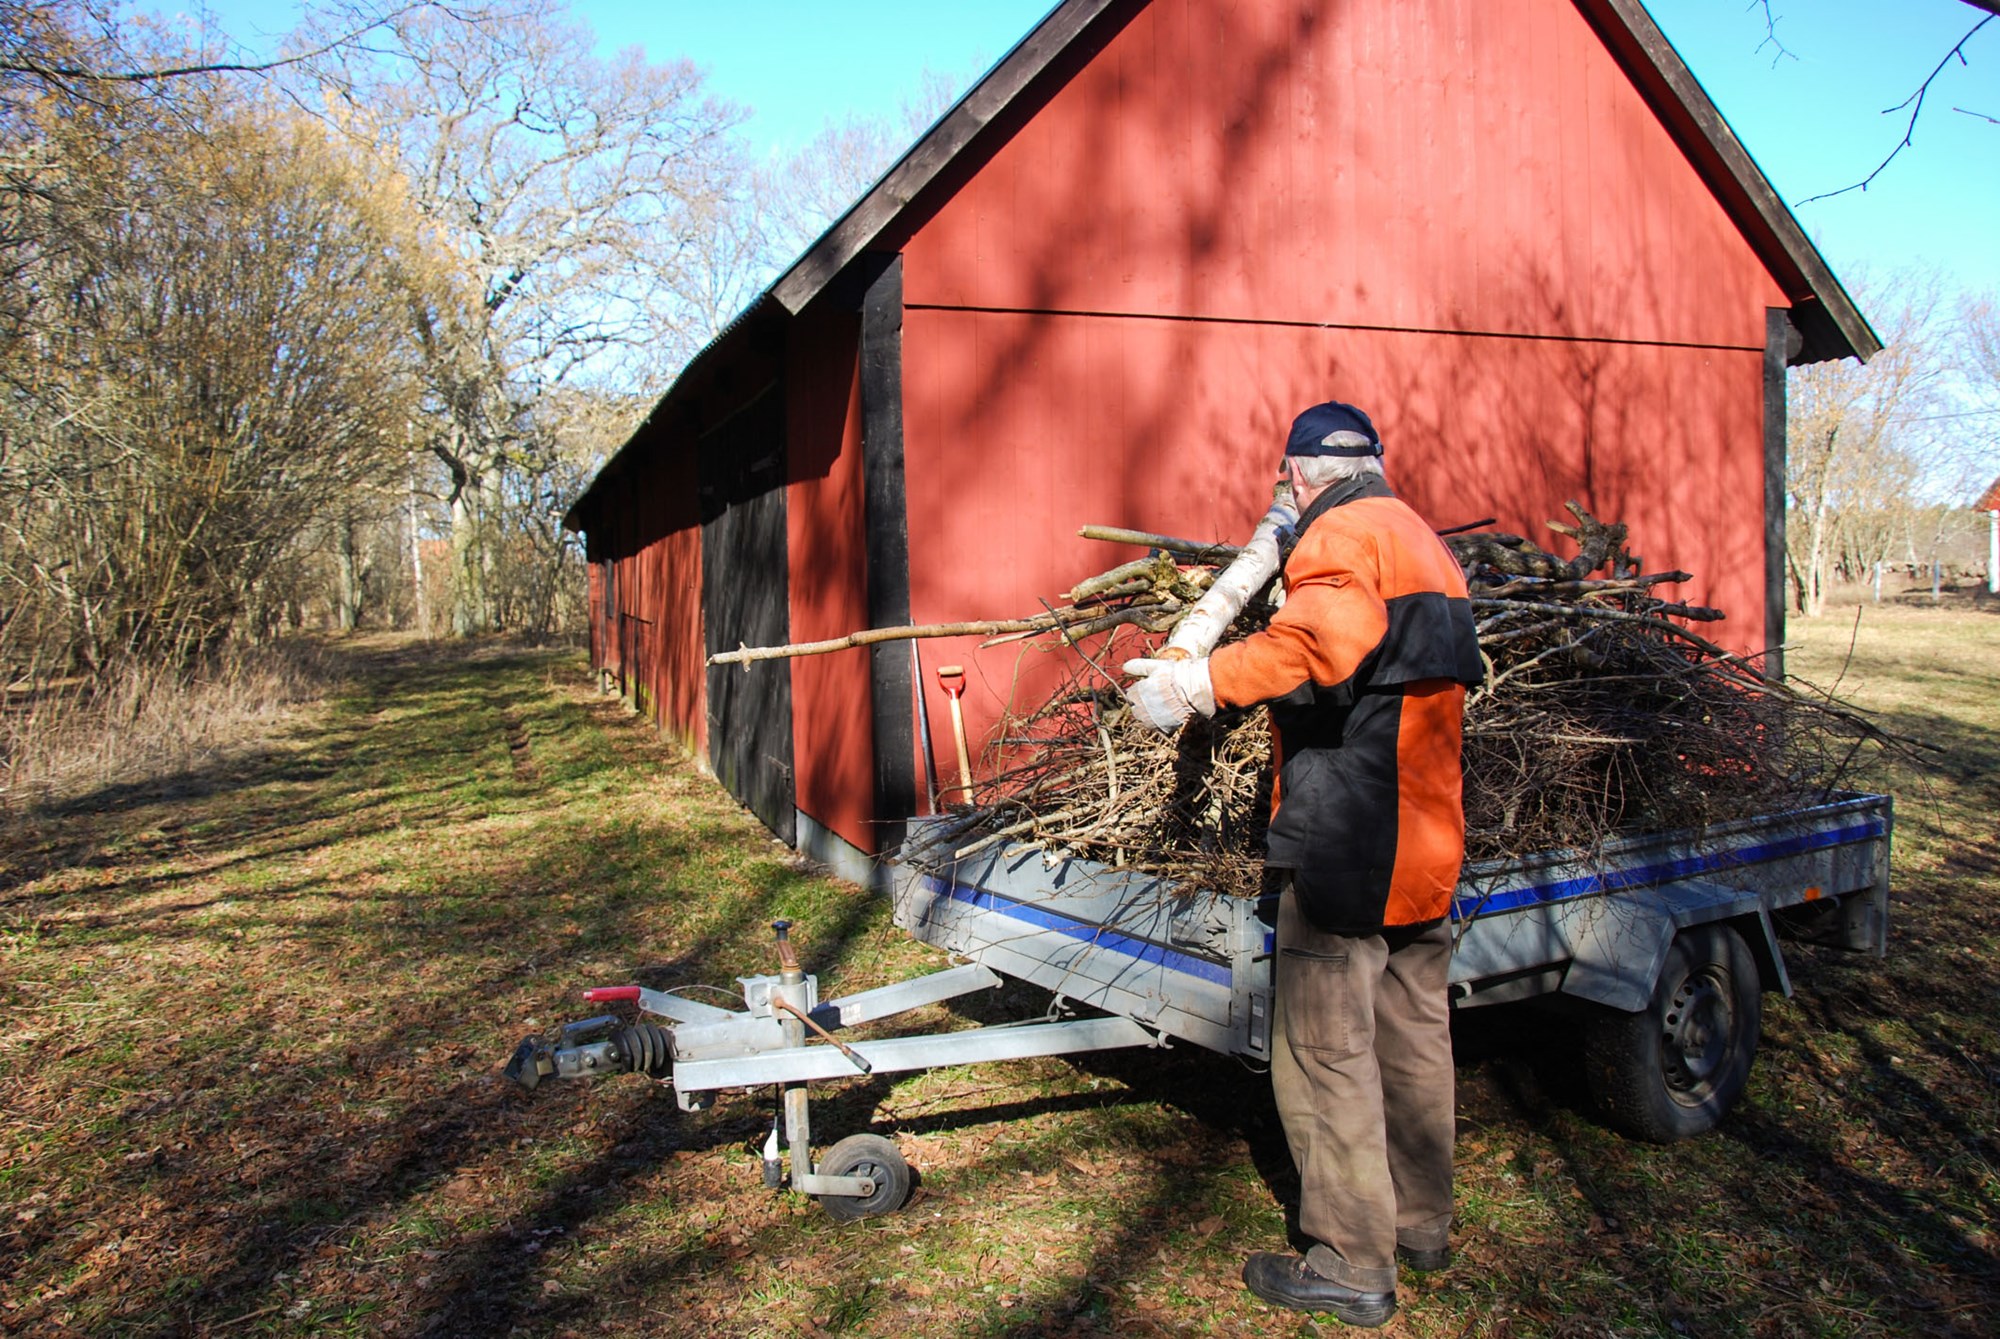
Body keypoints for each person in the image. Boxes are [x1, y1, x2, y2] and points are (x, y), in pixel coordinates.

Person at [1124, 401, 1482, 1326]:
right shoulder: (1423, 540)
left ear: (1294, 475)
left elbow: (1315, 642)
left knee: (1324, 1050)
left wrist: (1195, 683)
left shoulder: (1342, 536)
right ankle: (1419, 1224)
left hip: (1351, 840)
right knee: (1414, 1034)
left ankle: (1350, 1260)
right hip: (1427, 837)